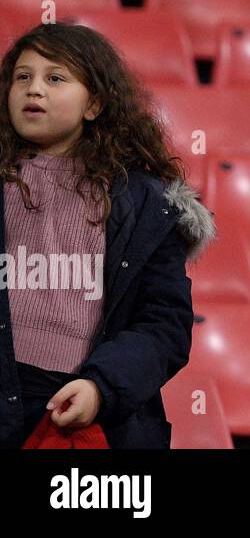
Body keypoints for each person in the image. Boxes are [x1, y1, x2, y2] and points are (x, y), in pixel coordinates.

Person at [0, 24, 212, 449]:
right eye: (22, 77)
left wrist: (102, 387)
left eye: (54, 78)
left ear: (94, 104)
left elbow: (164, 326)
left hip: (87, 410)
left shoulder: (148, 205)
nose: (33, 90)